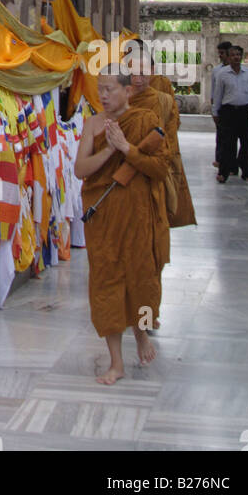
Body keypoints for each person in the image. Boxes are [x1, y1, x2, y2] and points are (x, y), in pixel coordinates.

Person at [75, 68, 171, 385]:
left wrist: (129, 149)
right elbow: (80, 170)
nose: (103, 95)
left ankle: (142, 333)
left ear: (127, 92)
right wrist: (109, 149)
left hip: (137, 214)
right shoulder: (93, 124)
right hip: (103, 217)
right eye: (100, 89)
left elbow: (159, 168)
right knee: (106, 285)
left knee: (142, 281)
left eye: (110, 89)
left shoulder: (144, 121)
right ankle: (116, 363)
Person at [129, 45, 196, 230]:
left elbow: (172, 126)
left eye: (143, 71)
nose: (138, 77)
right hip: (128, 160)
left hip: (156, 159)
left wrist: (162, 154)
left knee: (158, 213)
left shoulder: (163, 93)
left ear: (152, 69)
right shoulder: (121, 93)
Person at [213, 46, 248, 184]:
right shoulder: (222, 74)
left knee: (246, 143)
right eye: (233, 55)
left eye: (238, 54)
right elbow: (218, 95)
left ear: (241, 56)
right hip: (228, 112)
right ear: (229, 58)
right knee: (227, 144)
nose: (236, 57)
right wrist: (215, 112)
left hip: (245, 111)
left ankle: (246, 173)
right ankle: (223, 173)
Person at [209, 41, 233, 169]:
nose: (220, 56)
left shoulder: (239, 70)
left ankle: (232, 163)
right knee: (221, 136)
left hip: (232, 107)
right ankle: (219, 160)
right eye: (219, 53)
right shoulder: (216, 70)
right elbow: (213, 91)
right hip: (221, 107)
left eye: (222, 53)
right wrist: (214, 110)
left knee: (232, 138)